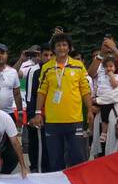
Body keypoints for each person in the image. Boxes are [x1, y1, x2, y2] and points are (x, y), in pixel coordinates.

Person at [30, 32, 91, 172]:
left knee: (77, 158)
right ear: (54, 48)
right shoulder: (47, 68)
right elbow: (41, 92)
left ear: (69, 48)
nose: (61, 48)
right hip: (53, 121)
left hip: (75, 119)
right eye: (58, 45)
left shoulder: (78, 66)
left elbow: (85, 90)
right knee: (55, 160)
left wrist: (89, 109)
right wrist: (38, 113)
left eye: (64, 45)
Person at [92, 55, 118, 150]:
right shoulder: (102, 76)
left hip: (114, 116)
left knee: (111, 147)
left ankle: (104, 132)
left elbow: (112, 96)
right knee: (101, 148)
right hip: (100, 111)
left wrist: (98, 100)